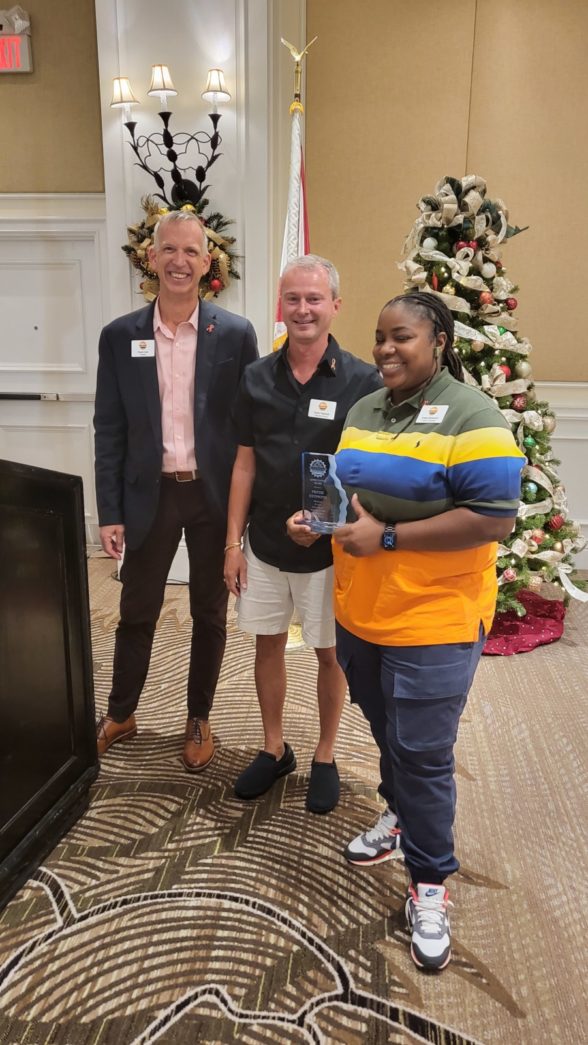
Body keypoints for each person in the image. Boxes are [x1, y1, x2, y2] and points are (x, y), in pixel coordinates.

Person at [331, 292, 524, 970]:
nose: (385, 349)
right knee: (389, 732)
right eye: (379, 336)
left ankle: (430, 881)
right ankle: (399, 814)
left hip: (435, 618)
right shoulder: (363, 409)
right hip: (362, 611)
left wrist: (385, 537)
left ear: (438, 339)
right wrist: (321, 522)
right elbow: (348, 494)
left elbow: (495, 516)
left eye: (402, 336)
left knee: (424, 752)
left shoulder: (474, 417)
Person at [93, 210, 258, 771]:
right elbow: (109, 428)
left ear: (208, 263)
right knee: (136, 609)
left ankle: (199, 717)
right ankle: (122, 712)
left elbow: (248, 428)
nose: (180, 261)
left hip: (212, 497)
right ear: (152, 257)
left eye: (191, 252)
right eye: (170, 250)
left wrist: (244, 515)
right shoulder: (120, 336)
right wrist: (109, 511)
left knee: (209, 612)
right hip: (150, 496)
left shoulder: (234, 334)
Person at [223, 255, 381, 813]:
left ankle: (325, 753)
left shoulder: (363, 381)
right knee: (267, 644)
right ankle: (274, 748)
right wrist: (232, 544)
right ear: (281, 305)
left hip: (331, 550)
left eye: (314, 299)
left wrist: (325, 523)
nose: (303, 309)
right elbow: (244, 464)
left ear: (335, 305)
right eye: (292, 298)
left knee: (329, 653)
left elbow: (365, 471)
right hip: (265, 544)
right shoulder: (255, 377)